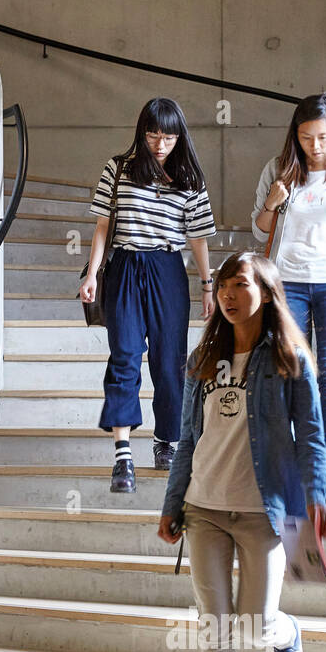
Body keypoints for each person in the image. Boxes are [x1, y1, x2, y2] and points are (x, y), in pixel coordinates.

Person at [158, 251, 326, 652]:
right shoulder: (202, 360)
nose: (229, 295)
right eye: (223, 286)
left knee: (255, 625)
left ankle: (288, 634)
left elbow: (313, 438)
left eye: (240, 284)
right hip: (204, 509)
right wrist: (173, 503)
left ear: (266, 291)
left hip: (265, 511)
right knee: (214, 622)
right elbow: (188, 438)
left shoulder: (289, 358)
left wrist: (315, 503)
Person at [80, 97, 216, 494]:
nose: (160, 145)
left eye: (169, 137)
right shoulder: (118, 168)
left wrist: (208, 286)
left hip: (167, 271)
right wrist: (91, 274)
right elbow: (103, 225)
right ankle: (123, 454)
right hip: (123, 267)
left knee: (169, 361)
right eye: (153, 136)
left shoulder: (189, 178)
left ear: (179, 137)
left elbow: (198, 237)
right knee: (124, 355)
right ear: (142, 132)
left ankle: (166, 441)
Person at [251, 91, 326, 507]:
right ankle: (293, 465)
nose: (316, 146)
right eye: (307, 137)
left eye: (323, 138)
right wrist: (271, 203)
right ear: (295, 135)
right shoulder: (278, 170)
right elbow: (260, 232)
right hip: (288, 284)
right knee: (291, 371)